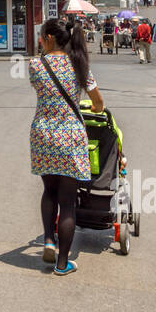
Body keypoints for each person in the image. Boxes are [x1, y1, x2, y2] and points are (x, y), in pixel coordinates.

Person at [28, 18, 104, 277]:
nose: (40, 40)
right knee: (67, 202)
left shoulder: (36, 65)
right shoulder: (80, 66)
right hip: (71, 138)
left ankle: (49, 240)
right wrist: (94, 108)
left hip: (43, 136)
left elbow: (40, 87)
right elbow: (98, 102)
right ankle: (62, 264)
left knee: (49, 191)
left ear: (49, 38)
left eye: (41, 36)